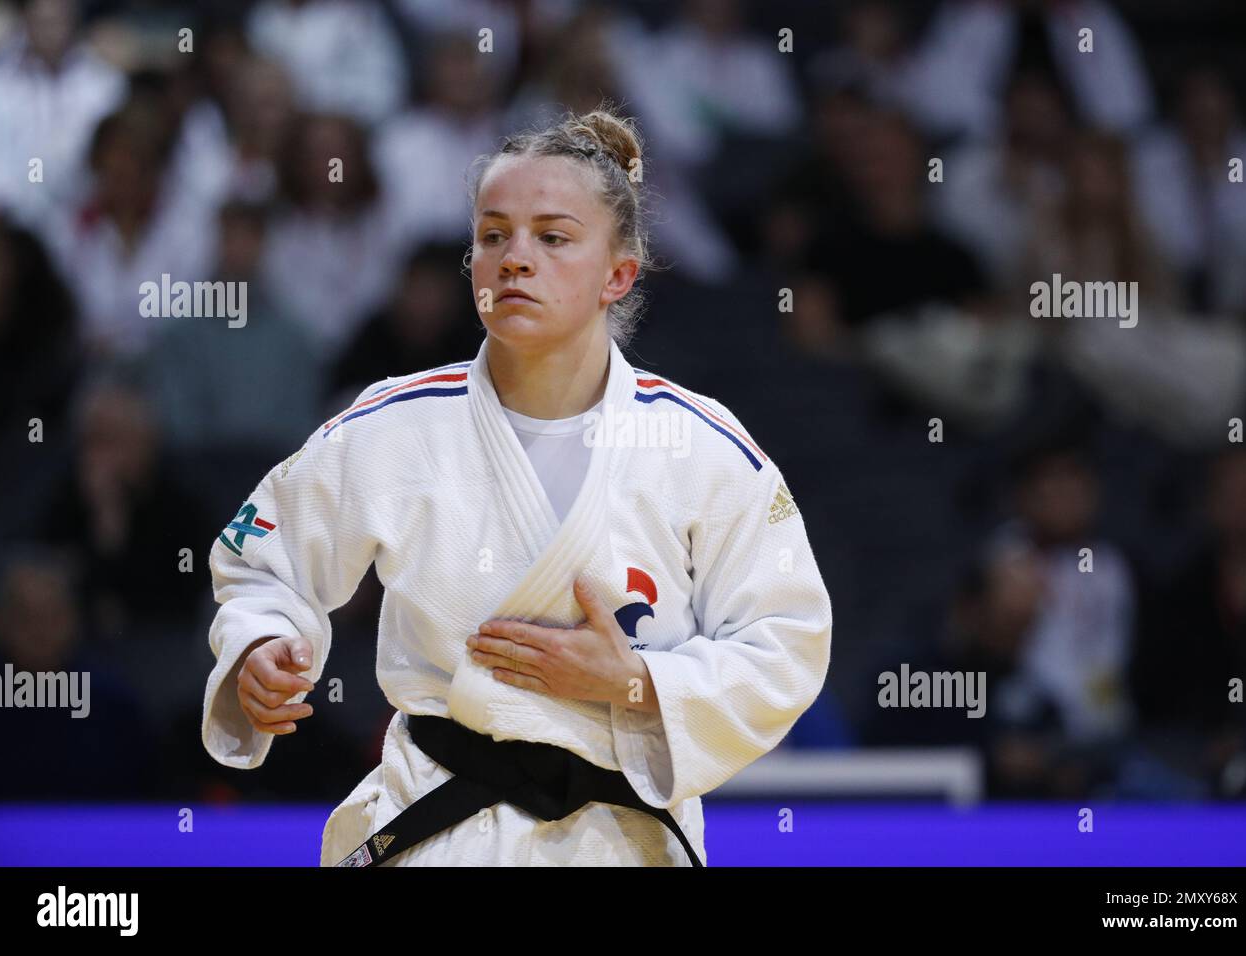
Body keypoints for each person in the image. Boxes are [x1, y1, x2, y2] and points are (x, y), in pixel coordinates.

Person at [200, 106, 833, 866]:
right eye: (493, 235)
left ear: (618, 274)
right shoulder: (393, 425)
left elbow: (788, 641)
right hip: (438, 830)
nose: (515, 258)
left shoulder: (701, 445)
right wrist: (263, 644)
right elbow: (262, 566)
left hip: (621, 843)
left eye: (553, 237)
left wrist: (636, 681)